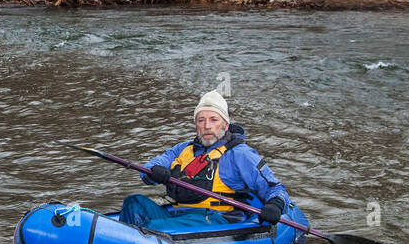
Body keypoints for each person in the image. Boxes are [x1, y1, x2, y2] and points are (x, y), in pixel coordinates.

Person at [119, 90, 290, 229]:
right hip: (179, 213)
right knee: (134, 203)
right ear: (196, 125)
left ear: (225, 125)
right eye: (201, 120)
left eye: (213, 120)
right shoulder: (183, 149)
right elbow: (148, 169)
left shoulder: (240, 154)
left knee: (152, 227)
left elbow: (276, 188)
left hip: (214, 218)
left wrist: (275, 205)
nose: (207, 126)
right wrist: (155, 172)